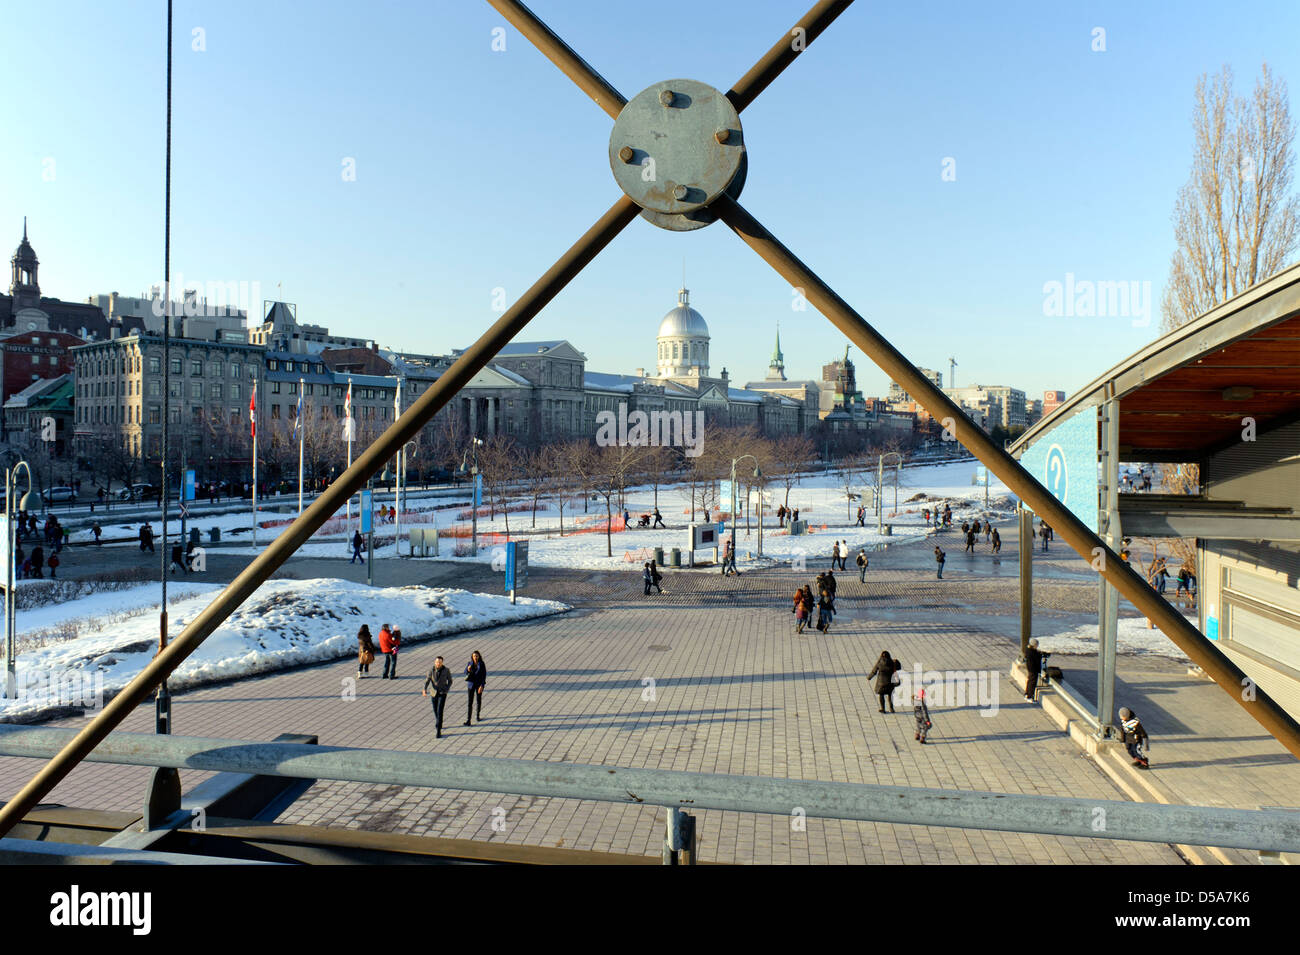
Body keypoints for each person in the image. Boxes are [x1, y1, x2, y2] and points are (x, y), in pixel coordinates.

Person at [423, 655, 454, 738]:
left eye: (440, 662)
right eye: (437, 662)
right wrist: (424, 689)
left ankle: (438, 729)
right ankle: (439, 722)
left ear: (442, 663)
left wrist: (447, 689)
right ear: (435, 662)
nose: (438, 664)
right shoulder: (431, 670)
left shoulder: (446, 670)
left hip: (442, 693)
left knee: (440, 710)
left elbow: (450, 681)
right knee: (435, 710)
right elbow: (427, 680)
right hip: (433, 693)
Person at [464, 650, 487, 725]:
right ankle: (468, 720)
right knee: (470, 702)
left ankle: (477, 715)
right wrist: (468, 669)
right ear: (472, 657)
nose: (475, 657)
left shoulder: (482, 664)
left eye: (476, 656)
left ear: (479, 656)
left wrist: (482, 685)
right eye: (474, 656)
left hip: (478, 685)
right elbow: (465, 672)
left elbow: (484, 675)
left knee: (478, 700)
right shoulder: (469, 664)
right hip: (471, 685)